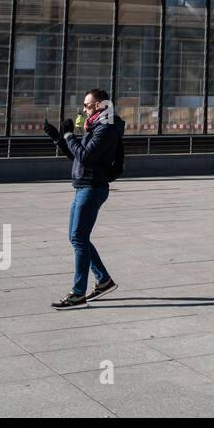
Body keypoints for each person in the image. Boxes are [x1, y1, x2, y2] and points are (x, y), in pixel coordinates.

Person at [42, 89, 124, 309]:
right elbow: (77, 156)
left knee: (78, 237)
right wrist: (59, 138)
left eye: (87, 105)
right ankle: (104, 280)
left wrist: (70, 135)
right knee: (77, 237)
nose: (84, 109)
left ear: (99, 105)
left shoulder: (106, 129)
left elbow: (86, 156)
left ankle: (78, 293)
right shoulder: (96, 126)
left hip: (92, 187)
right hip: (83, 187)